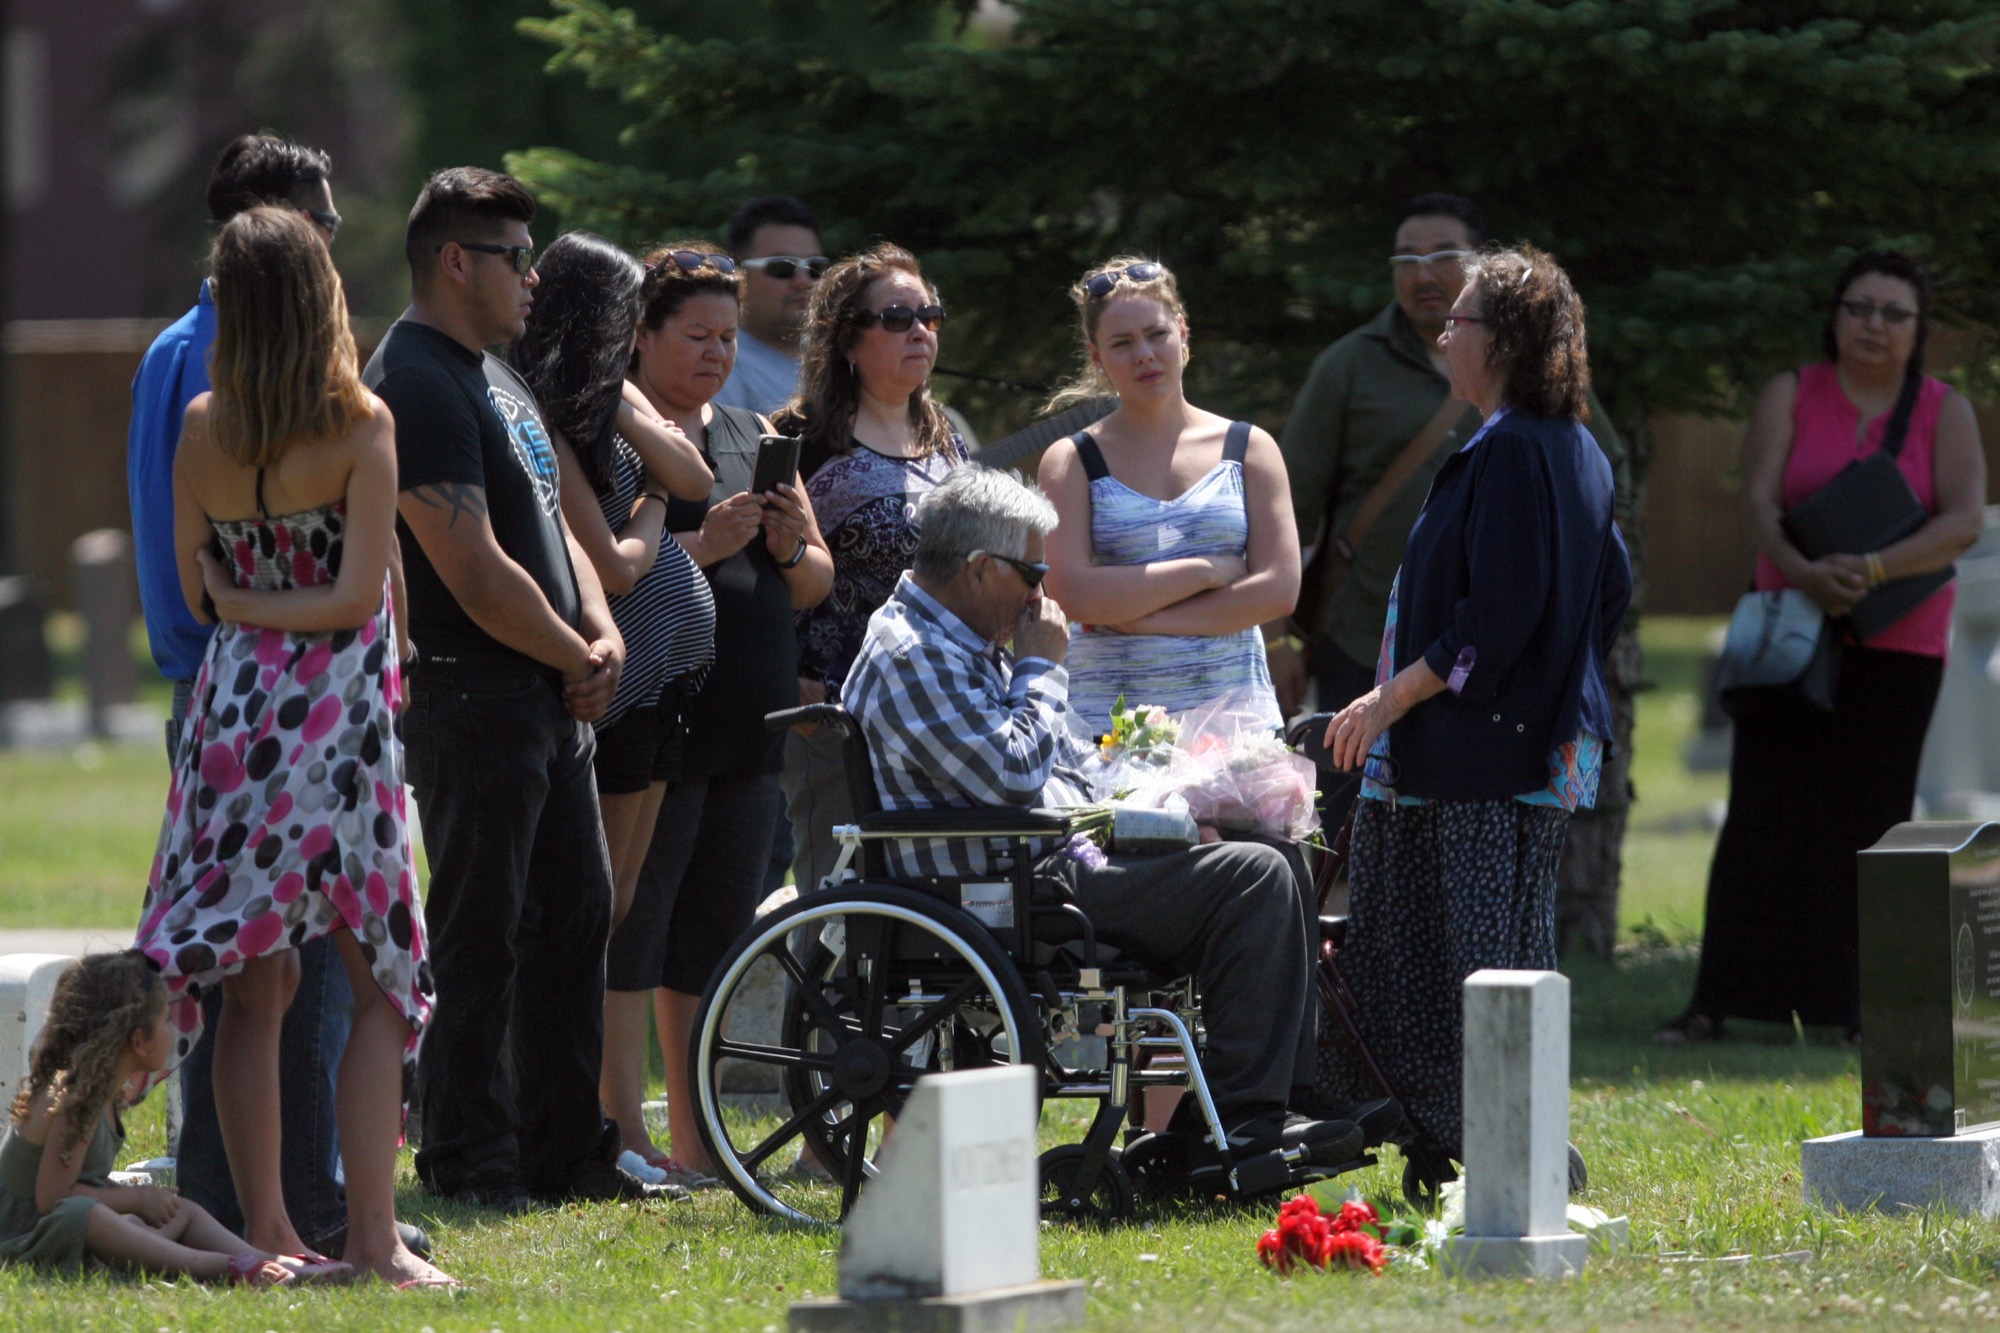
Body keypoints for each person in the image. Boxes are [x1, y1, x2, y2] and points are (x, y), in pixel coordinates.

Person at [842, 465, 1354, 1160]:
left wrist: (1170, 803)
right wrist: (1044, 667)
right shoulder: (914, 653)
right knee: (1252, 878)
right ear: (981, 569)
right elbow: (1015, 775)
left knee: (1274, 851)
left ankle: (1282, 1098)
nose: (1041, 595)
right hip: (1005, 890)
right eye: (1033, 574)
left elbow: (1065, 767)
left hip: (1048, 858)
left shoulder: (964, 641)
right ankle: (1242, 1120)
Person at [134, 206, 451, 1286]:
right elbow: (358, 594)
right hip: (337, 723)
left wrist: (241, 598)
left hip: (234, 723)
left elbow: (198, 588)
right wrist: (286, 607)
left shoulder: (203, 428)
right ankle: (371, 1240)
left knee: (252, 989)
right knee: (376, 983)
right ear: (320, 294)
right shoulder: (361, 422)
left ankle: (270, 1233)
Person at [364, 168, 673, 1209]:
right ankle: (469, 1155)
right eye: (512, 258)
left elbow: (555, 534)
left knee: (576, 914)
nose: (532, 278)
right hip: (473, 695)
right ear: (457, 262)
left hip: (547, 693)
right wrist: (569, 654)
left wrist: (600, 634)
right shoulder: (413, 378)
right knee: (481, 931)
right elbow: (469, 563)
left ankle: (561, 1149)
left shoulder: (498, 376)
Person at [1319, 245, 1632, 1163]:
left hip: (1476, 761)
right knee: (1459, 958)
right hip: (1506, 755)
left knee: (1473, 968)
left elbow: (1492, 622)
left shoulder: (1511, 453)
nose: (1444, 333)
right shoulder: (1572, 447)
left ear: (1499, 342)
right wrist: (1554, 682)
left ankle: (1519, 1154)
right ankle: (1455, 1141)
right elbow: (1602, 592)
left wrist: (1387, 697)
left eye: (1458, 320)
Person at [1658, 251, 1985, 1044]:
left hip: (1897, 642)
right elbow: (1762, 500)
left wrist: (1871, 568)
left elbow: (1964, 520)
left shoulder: (1945, 410)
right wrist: (1806, 571)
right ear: (1835, 316)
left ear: (1919, 331)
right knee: (1764, 812)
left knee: (1871, 821)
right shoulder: (1791, 392)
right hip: (1790, 631)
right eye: (1859, 306)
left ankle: (1858, 1007)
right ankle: (1719, 999)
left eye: (1894, 312)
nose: (1874, 324)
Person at [1272, 194, 1631, 846]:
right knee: (1354, 840)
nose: (1421, 272)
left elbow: (1592, 514)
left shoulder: (1531, 409)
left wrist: (1549, 650)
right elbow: (1288, 506)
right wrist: (1280, 636)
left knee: (1461, 895)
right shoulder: (1350, 365)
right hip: (1365, 641)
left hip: (1481, 691)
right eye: (1406, 258)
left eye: (1442, 257)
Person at [509, 234, 720, 1187]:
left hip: (668, 679)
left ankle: (598, 1108)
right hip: (617, 685)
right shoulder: (543, 422)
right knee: (589, 902)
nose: (634, 335)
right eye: (624, 318)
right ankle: (581, 1108)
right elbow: (618, 563)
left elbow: (696, 479)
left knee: (621, 902)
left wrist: (628, 410)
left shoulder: (608, 409)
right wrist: (652, 522)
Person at [626, 239, 834, 1179]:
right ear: (642, 337)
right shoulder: (618, 441)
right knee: (640, 926)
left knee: (712, 934)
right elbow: (606, 584)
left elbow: (812, 585)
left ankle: (697, 1139)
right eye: (695, 334)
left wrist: (792, 546)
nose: (715, 353)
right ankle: (622, 1129)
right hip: (659, 718)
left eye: (727, 335)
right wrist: (702, 547)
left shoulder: (756, 433)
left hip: (751, 723)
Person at [1038, 257, 1297, 739]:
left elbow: (1278, 590)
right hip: (1108, 731)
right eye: (1122, 343)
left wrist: (1145, 618)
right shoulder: (1070, 461)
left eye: (1157, 334)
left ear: (1182, 331)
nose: (1144, 355)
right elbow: (1072, 593)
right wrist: (1205, 571)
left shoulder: (1248, 448)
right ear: (1097, 357)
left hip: (1235, 729)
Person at [777, 243, 966, 897]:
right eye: (896, 317)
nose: (919, 330)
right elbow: (767, 572)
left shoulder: (946, 437)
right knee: (836, 902)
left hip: (938, 708)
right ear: (849, 342)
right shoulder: (801, 439)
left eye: (930, 316)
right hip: (836, 715)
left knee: (930, 902)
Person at [2, 952, 303, 1284]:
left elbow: (85, 1182)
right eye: (165, 1020)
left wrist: (146, 1203)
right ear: (139, 1041)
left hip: (63, 1232)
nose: (171, 1030)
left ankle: (277, 1264)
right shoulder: (77, 1097)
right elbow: (54, 1199)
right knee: (83, 1214)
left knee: (181, 1211)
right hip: (19, 1242)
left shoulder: (100, 1089)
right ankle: (225, 1267)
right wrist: (136, 1199)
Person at [715, 195, 825, 416]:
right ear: (738, 276)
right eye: (783, 267)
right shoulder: (717, 364)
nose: (804, 281)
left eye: (815, 267)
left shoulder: (846, 358)